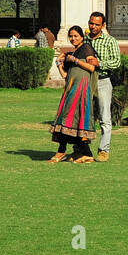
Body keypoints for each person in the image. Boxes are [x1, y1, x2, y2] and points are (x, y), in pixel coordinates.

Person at [49, 25, 99, 163]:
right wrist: (59, 63)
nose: (73, 38)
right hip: (70, 90)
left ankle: (62, 151)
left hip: (81, 90)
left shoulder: (86, 48)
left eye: (76, 36)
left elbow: (91, 67)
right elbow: (66, 75)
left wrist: (75, 61)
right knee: (69, 119)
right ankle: (82, 153)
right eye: (71, 36)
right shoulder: (73, 53)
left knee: (71, 118)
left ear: (82, 37)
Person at [87, 11, 120, 162]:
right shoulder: (85, 41)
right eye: (91, 23)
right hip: (87, 81)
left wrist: (99, 63)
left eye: (97, 24)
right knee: (86, 116)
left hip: (102, 80)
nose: (93, 27)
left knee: (104, 117)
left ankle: (103, 150)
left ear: (103, 25)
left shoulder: (109, 41)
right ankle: (82, 148)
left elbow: (116, 62)